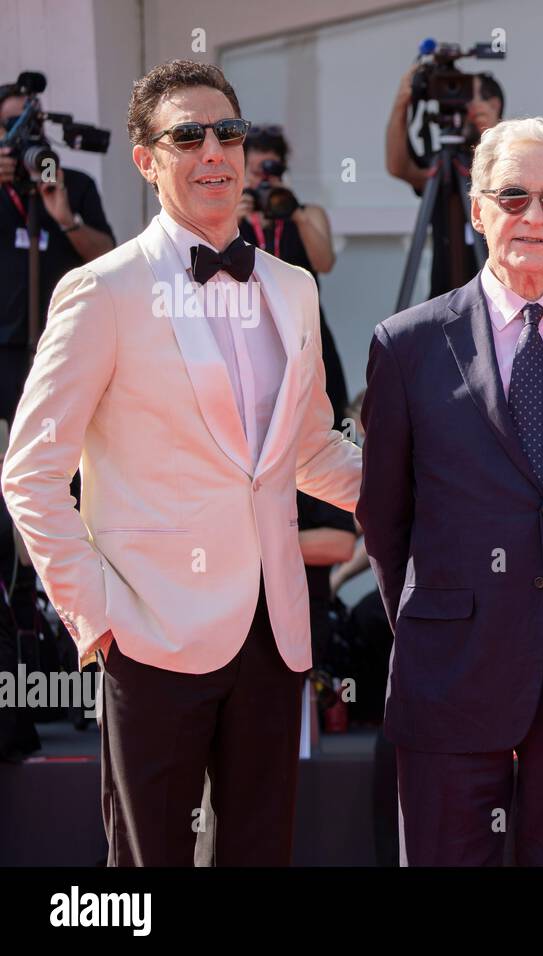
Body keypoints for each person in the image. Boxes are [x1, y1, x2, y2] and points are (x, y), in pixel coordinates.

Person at [0, 59, 363, 866]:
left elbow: (308, 449)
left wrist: (412, 489)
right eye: (187, 135)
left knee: (258, 853)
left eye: (227, 132)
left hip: (275, 635)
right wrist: (97, 619)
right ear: (145, 158)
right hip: (150, 633)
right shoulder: (103, 291)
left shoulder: (292, 287)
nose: (214, 151)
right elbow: (29, 471)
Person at [358, 116, 543, 866]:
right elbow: (384, 513)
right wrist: (438, 617)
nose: (534, 216)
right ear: (477, 209)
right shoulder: (408, 343)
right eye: (514, 196)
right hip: (451, 665)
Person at [0, 79, 116, 424]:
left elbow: (107, 256)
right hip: (4, 345)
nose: (25, 138)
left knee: (65, 437)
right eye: (11, 127)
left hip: (64, 340)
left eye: (32, 125)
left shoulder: (75, 184)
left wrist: (65, 219)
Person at [238, 124, 348, 426]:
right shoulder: (233, 217)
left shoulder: (306, 213)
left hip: (307, 331)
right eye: (257, 171)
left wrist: (294, 212)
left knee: (325, 421)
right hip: (252, 331)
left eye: (271, 170)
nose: (265, 180)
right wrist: (232, 219)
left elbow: (324, 262)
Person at [385, 63, 505, 300]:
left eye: (466, 95)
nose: (458, 103)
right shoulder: (443, 162)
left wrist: (492, 133)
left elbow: (510, 187)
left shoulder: (507, 158)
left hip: (496, 299)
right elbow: (399, 167)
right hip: (443, 297)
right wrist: (402, 104)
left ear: (494, 105)